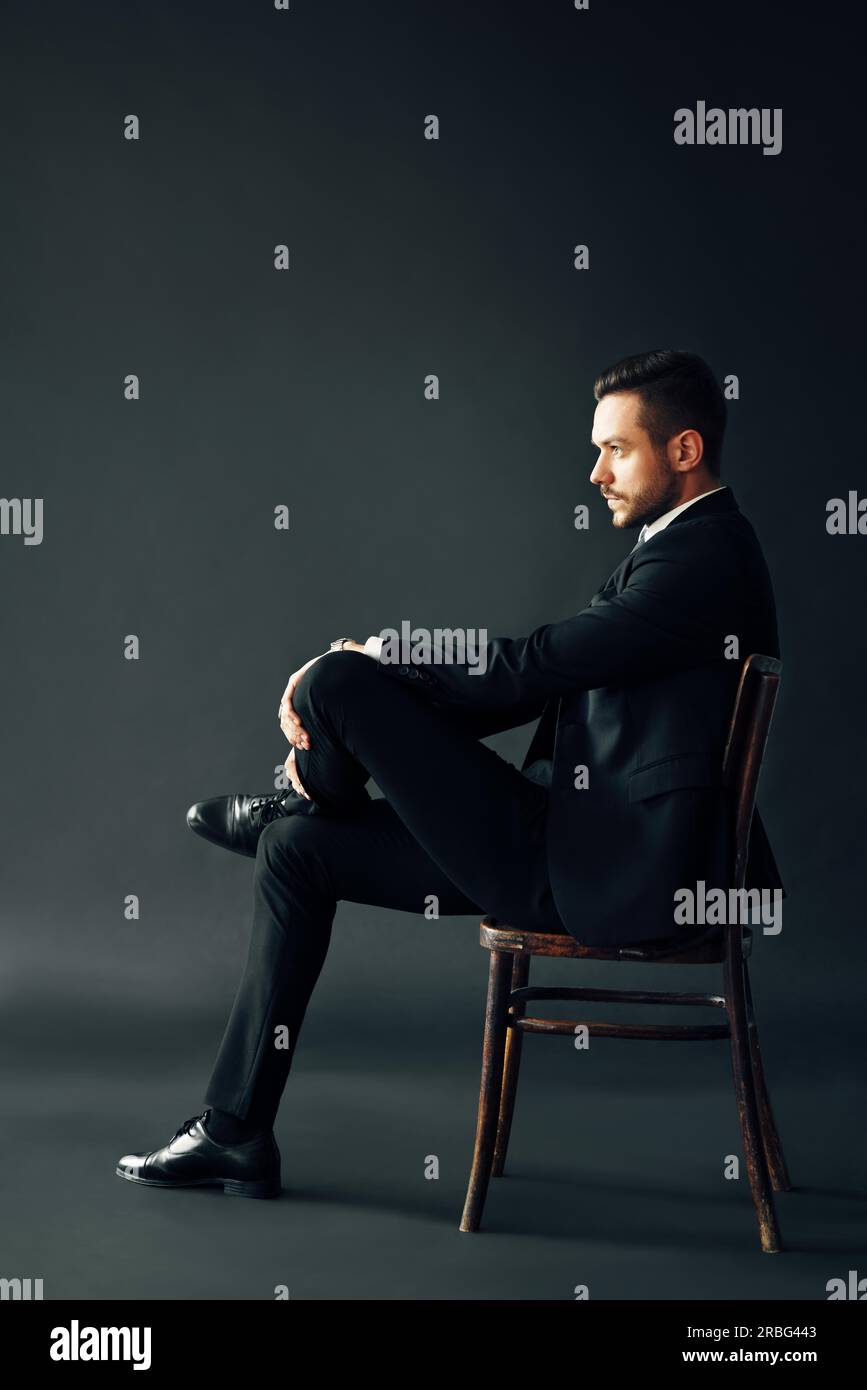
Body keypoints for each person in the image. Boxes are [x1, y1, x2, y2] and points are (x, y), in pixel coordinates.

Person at [116, 348, 783, 1200]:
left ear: (683, 451)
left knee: (336, 679)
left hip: (603, 868)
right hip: (579, 846)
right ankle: (234, 1130)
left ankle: (310, 784)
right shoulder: (683, 548)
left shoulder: (702, 559)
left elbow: (543, 660)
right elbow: (544, 680)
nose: (595, 472)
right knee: (295, 848)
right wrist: (372, 710)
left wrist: (366, 672)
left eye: (616, 450)